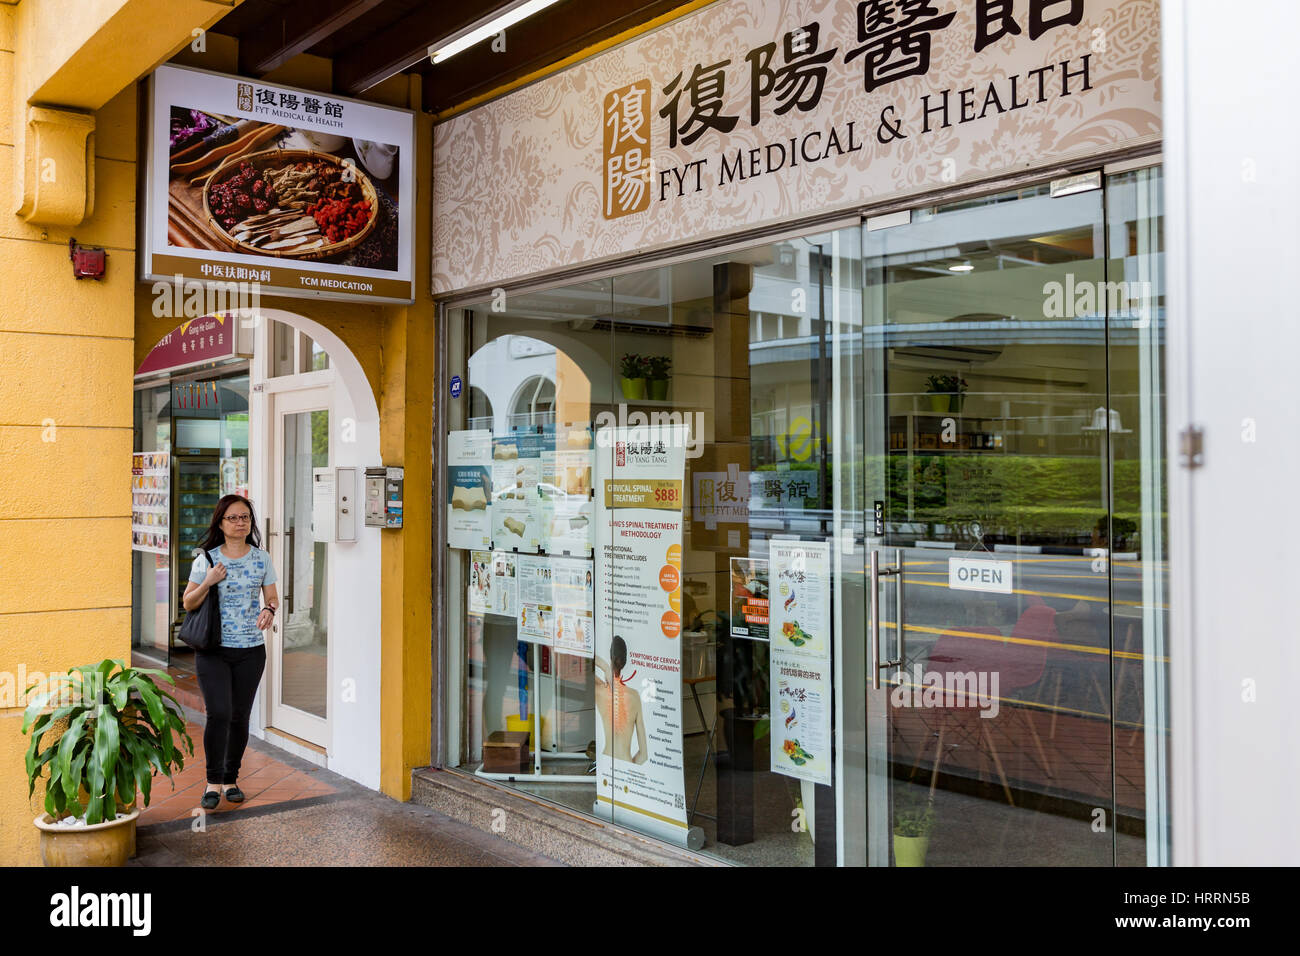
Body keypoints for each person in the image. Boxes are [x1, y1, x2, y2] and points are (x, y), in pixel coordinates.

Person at [182, 494, 279, 810]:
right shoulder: (206, 560)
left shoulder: (262, 559)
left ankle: (231, 779)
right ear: (221, 523)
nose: (240, 523)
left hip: (251, 650)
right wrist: (208, 582)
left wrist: (269, 609)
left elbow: (273, 597)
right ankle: (212, 782)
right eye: (233, 518)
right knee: (220, 713)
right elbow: (188, 603)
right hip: (214, 650)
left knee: (240, 716)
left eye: (245, 518)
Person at [593, 636, 648, 764]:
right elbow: (644, 755)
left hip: (606, 762)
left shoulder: (600, 690)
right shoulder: (635, 697)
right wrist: (629, 768)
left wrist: (605, 667)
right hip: (627, 763)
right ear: (624, 662)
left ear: (610, 657)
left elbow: (583, 660)